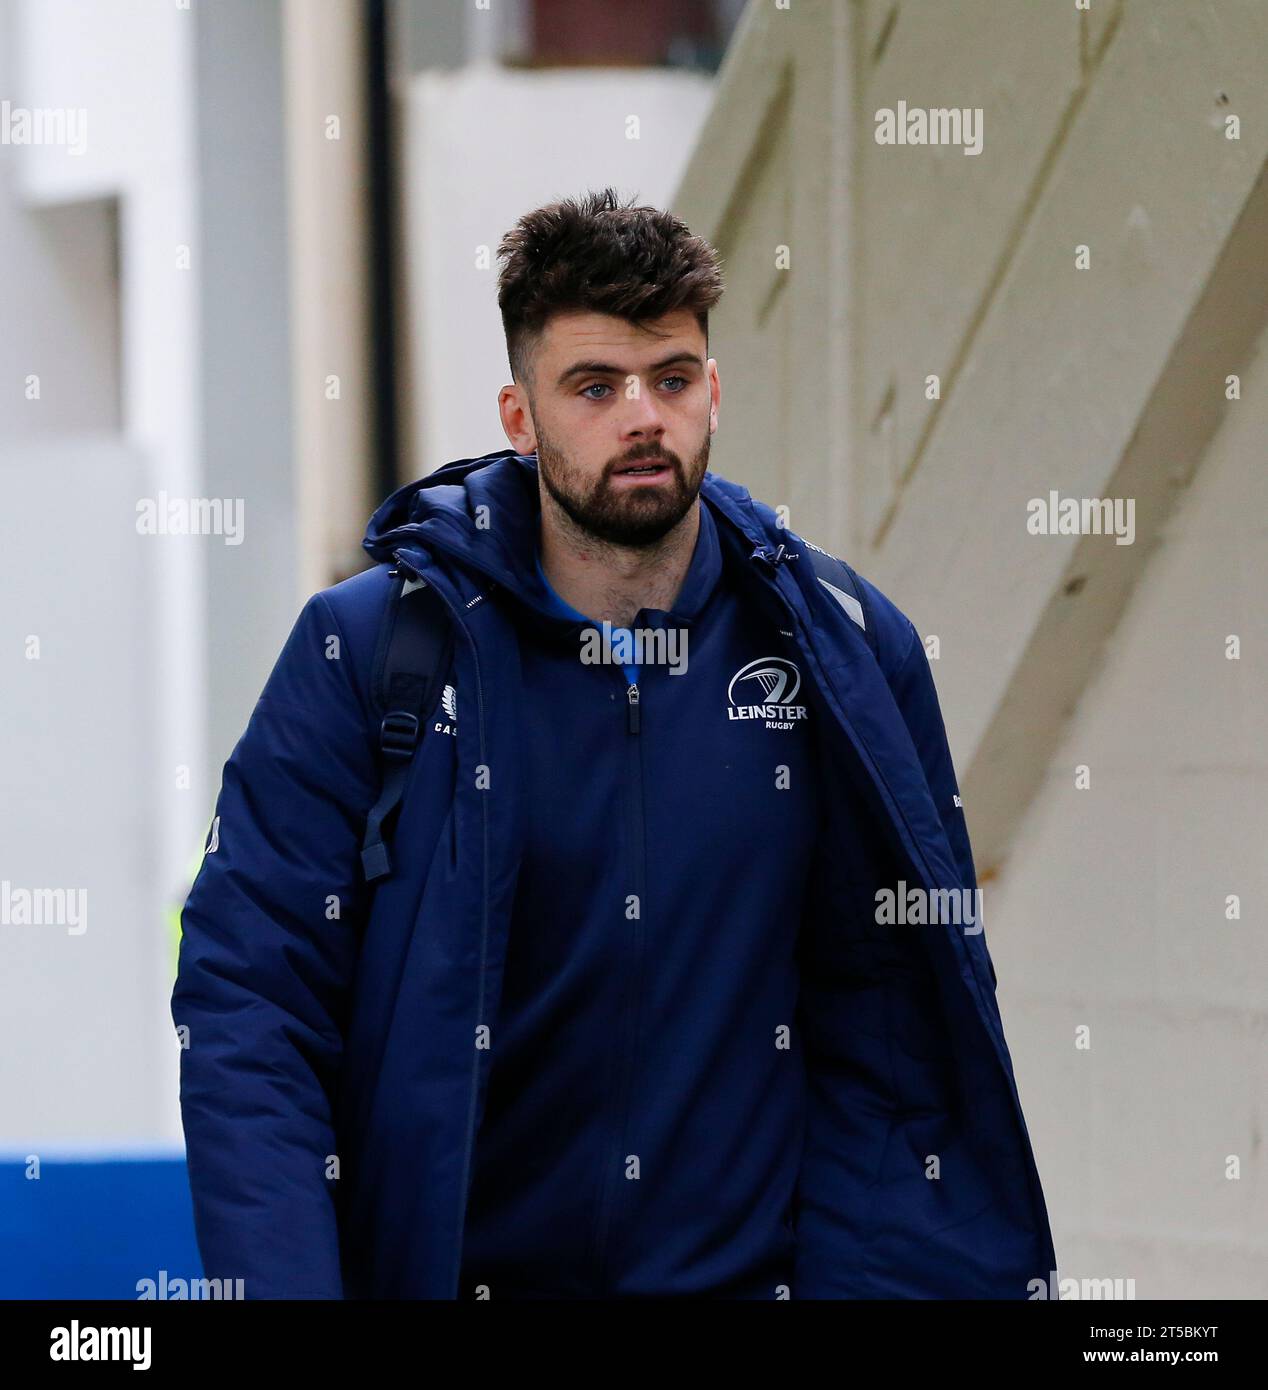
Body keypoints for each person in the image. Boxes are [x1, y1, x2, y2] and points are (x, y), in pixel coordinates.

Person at [171, 188, 1056, 1300]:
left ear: (712, 390)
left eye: (671, 379)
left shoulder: (843, 648)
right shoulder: (369, 652)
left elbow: (893, 1026)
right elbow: (250, 1005)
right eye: (593, 387)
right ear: (518, 416)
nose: (641, 417)